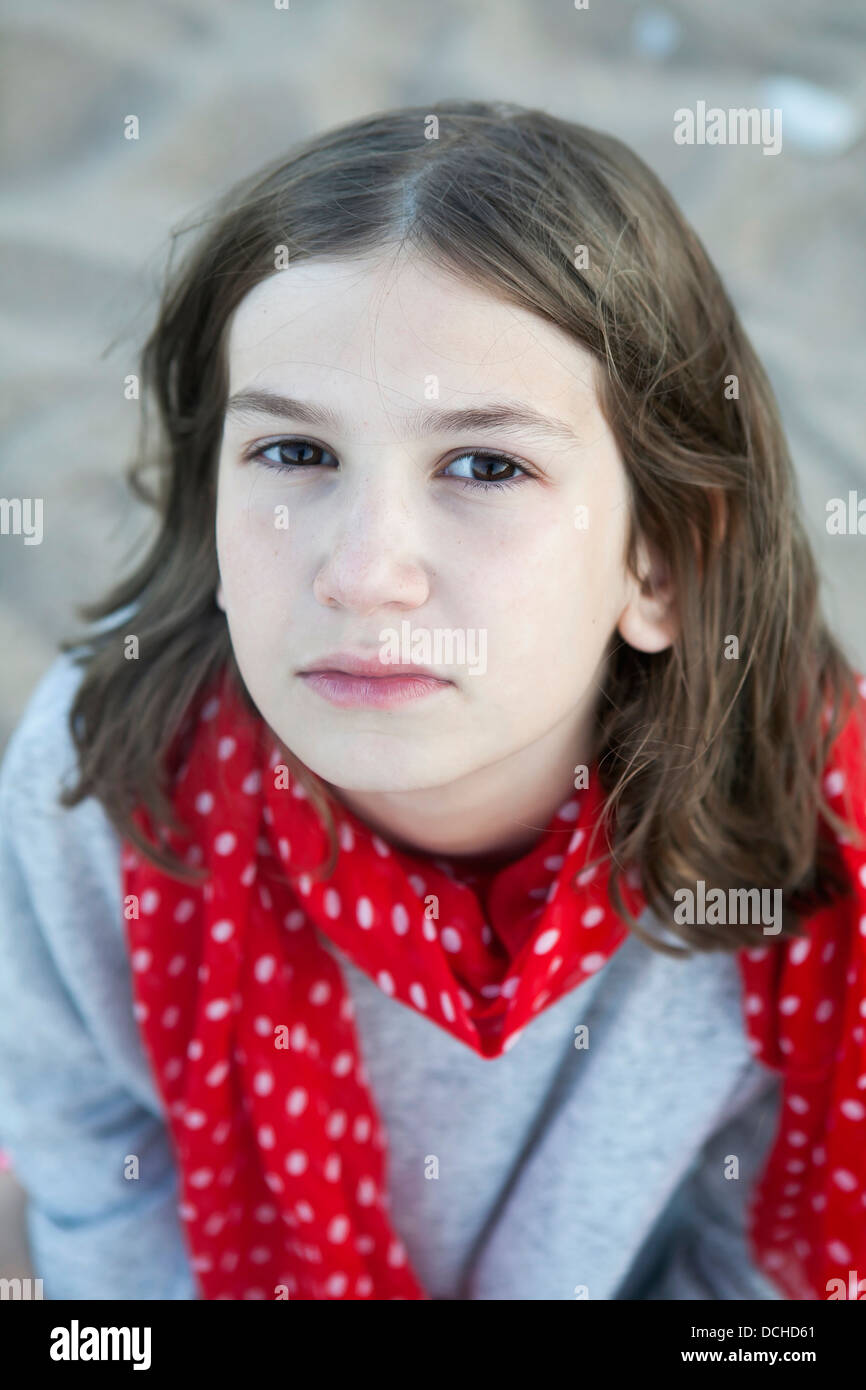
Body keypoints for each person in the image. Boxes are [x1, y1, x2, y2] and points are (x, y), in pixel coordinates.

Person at [1, 100, 864, 1301]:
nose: (362, 573)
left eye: (484, 465)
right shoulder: (96, 780)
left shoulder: (813, 851)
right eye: (294, 453)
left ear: (659, 564)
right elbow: (95, 1159)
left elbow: (762, 1256)